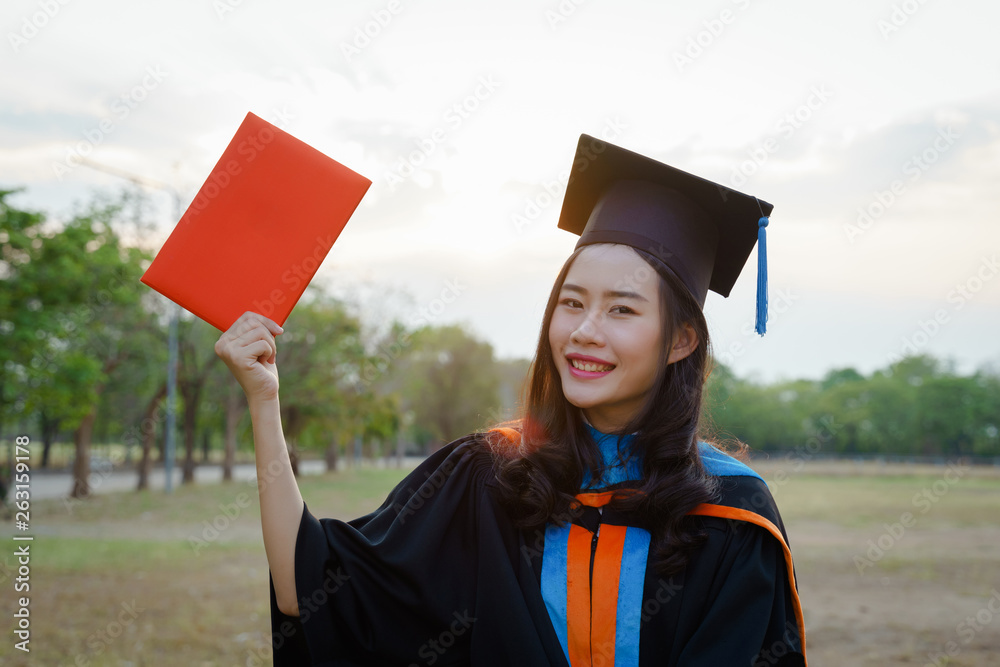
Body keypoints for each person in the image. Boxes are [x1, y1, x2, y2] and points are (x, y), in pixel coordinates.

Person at [215, 134, 807, 666]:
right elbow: (311, 592)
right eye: (571, 303)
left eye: (621, 309)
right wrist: (265, 403)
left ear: (681, 339)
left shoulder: (732, 515)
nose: (585, 331)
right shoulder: (489, 478)